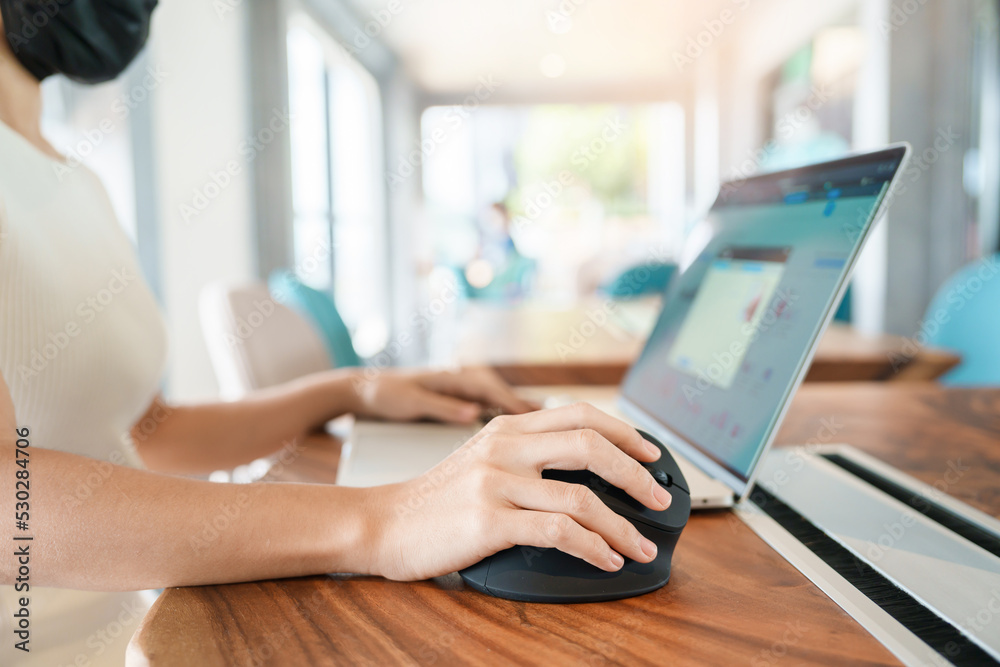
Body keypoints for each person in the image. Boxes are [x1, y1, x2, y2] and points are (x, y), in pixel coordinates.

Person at [0, 1, 669, 664]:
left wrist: (355, 389)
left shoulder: (75, 178)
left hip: (136, 633)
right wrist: (383, 519)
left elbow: (148, 432)